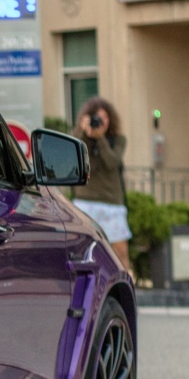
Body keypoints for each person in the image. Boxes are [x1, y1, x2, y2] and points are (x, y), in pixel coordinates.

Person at [71, 97, 132, 271]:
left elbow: (112, 162)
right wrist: (84, 133)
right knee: (84, 253)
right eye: (96, 117)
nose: (100, 121)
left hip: (111, 204)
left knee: (120, 252)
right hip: (85, 204)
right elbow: (77, 160)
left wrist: (101, 139)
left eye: (104, 117)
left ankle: (125, 290)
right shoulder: (80, 139)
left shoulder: (117, 140)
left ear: (111, 119)